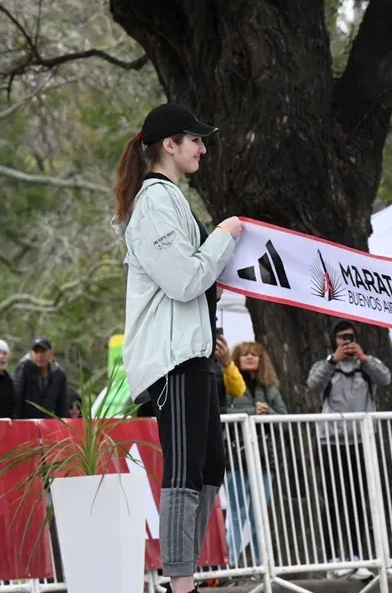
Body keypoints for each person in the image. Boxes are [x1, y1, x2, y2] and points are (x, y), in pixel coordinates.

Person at [112, 102, 242, 593]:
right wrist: (224, 236)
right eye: (196, 140)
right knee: (185, 469)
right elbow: (185, 278)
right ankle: (180, 582)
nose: (203, 148)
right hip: (172, 360)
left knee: (210, 466)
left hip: (194, 354)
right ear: (169, 145)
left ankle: (182, 575)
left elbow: (191, 280)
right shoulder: (154, 201)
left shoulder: (167, 199)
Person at [306, 320, 391, 581]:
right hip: (331, 442)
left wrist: (365, 358)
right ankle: (333, 559)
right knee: (333, 500)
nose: (347, 341)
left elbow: (385, 379)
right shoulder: (326, 365)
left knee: (358, 499)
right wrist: (333, 360)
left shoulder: (367, 365)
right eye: (342, 337)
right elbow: (312, 383)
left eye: (350, 337)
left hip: (360, 441)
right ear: (334, 341)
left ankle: (358, 556)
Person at [223, 342, 287, 567]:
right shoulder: (228, 384)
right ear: (236, 358)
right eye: (245, 354)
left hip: (264, 460)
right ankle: (229, 564)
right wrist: (252, 412)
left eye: (255, 355)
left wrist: (267, 411)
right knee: (238, 512)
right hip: (235, 459)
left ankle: (262, 565)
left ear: (262, 360)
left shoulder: (269, 387)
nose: (250, 358)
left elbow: (284, 419)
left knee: (260, 514)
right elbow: (222, 413)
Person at [10, 337, 69, 418]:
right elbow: (17, 399)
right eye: (36, 351)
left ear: (51, 353)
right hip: (25, 422)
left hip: (48, 424)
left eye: (43, 351)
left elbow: (62, 405)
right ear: (31, 353)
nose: (39, 355)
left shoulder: (59, 374)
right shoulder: (24, 368)